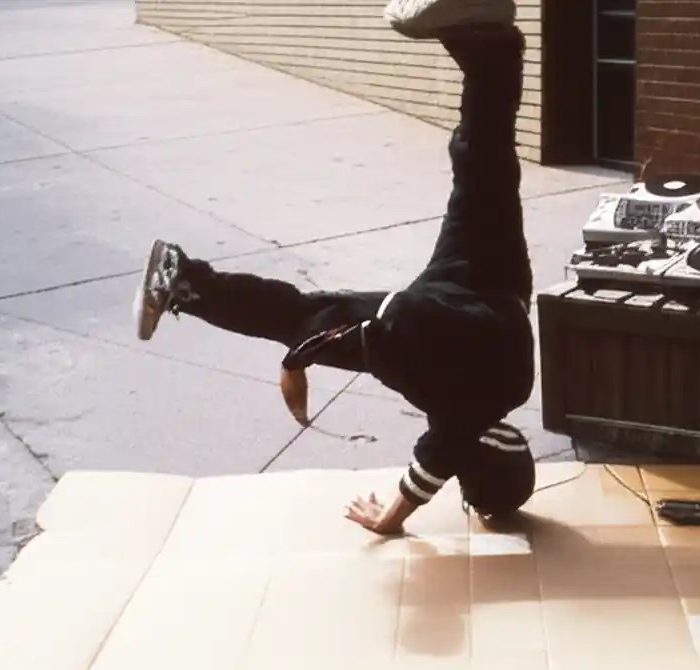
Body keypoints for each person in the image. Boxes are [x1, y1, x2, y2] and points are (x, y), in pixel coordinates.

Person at [132, 0, 536, 536]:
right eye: (472, 493)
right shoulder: (459, 417)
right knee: (298, 315)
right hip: (429, 325)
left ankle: (490, 41)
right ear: (475, 471)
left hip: (497, 287)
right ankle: (185, 282)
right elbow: (432, 467)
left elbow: (454, 445)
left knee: (485, 163)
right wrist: (301, 356)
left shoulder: (508, 391)